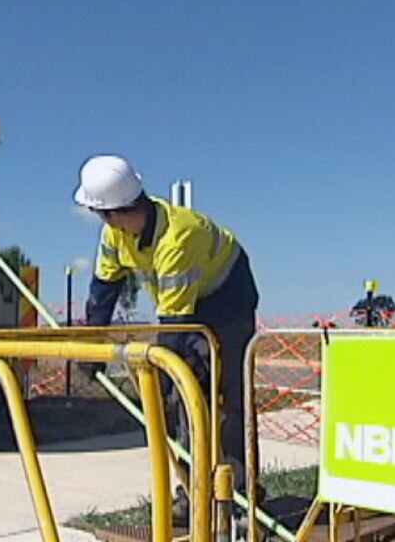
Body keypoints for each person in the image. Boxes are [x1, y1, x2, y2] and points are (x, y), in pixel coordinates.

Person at [74, 154, 261, 525]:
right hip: (186, 307)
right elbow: (102, 292)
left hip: (228, 299)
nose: (101, 223)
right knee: (183, 397)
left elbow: (175, 325)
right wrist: (92, 348)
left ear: (113, 211)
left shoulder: (179, 237)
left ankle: (238, 492)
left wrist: (157, 376)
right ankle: (192, 494)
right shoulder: (114, 235)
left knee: (224, 396)